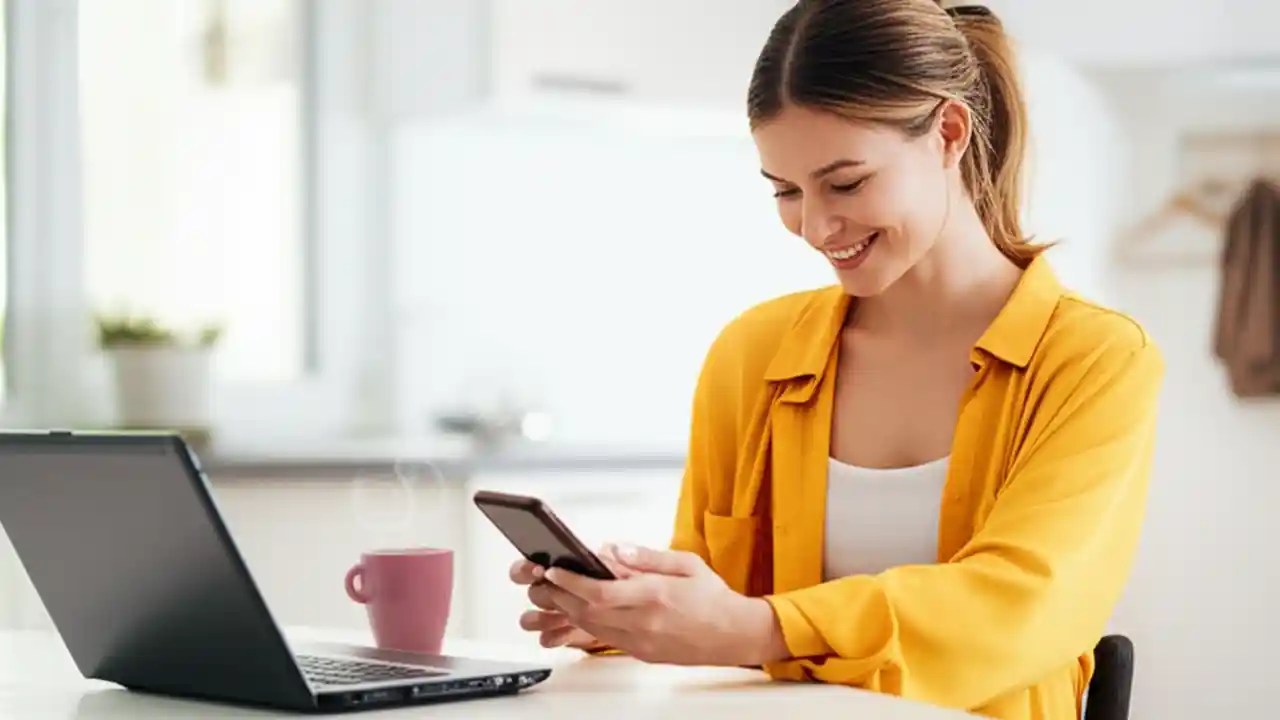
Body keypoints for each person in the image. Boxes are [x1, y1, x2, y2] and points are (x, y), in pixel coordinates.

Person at [509, 2, 1164, 719]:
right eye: (785, 191)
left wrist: (754, 629)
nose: (816, 227)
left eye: (846, 183)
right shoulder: (751, 354)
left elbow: (1022, 605)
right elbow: (716, 598)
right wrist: (626, 616)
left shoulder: (1092, 359)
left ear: (948, 133)